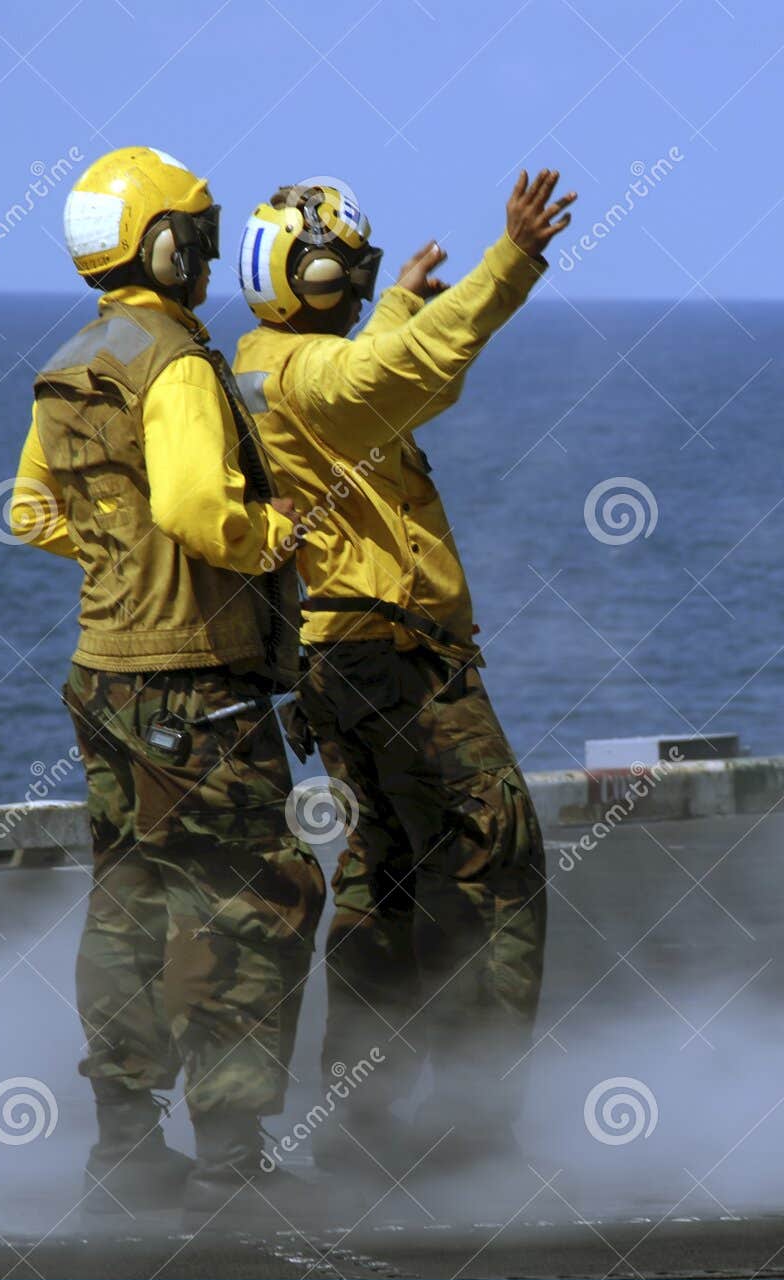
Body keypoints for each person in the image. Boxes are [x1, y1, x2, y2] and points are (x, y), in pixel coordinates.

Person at [230, 170, 575, 1173]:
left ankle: (361, 1116)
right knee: (494, 857)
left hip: (336, 660)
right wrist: (510, 259)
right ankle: (477, 1125)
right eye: (349, 270)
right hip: (398, 661)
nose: (357, 282)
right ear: (315, 278)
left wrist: (393, 307)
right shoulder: (315, 379)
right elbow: (408, 370)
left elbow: (373, 378)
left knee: (384, 873)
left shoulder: (264, 363)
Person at [8, 146, 323, 1212]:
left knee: (131, 904)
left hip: (103, 677)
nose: (207, 254)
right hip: (198, 686)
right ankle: (232, 1158)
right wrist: (269, 535)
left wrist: (118, 555)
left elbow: (31, 510)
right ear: (163, 244)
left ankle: (126, 1147)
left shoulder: (72, 363)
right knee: (259, 897)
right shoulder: (175, 362)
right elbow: (194, 509)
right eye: (198, 233)